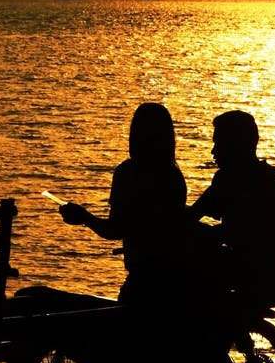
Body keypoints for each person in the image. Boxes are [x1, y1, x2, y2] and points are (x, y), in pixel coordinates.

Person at [59, 101, 215, 308]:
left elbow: (115, 229)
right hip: (176, 277)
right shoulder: (173, 175)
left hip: (143, 279)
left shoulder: (128, 173)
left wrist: (84, 217)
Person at [188, 110, 275, 305]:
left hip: (259, 268)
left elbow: (193, 215)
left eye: (218, 143)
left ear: (233, 145)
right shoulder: (272, 177)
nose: (213, 151)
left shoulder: (230, 179)